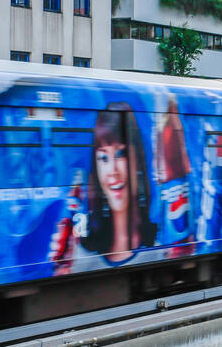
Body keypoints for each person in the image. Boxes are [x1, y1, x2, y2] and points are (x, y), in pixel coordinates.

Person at [52, 102, 158, 273]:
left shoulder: (160, 250)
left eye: (120, 154)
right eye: (103, 158)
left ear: (137, 160)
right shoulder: (80, 256)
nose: (113, 172)